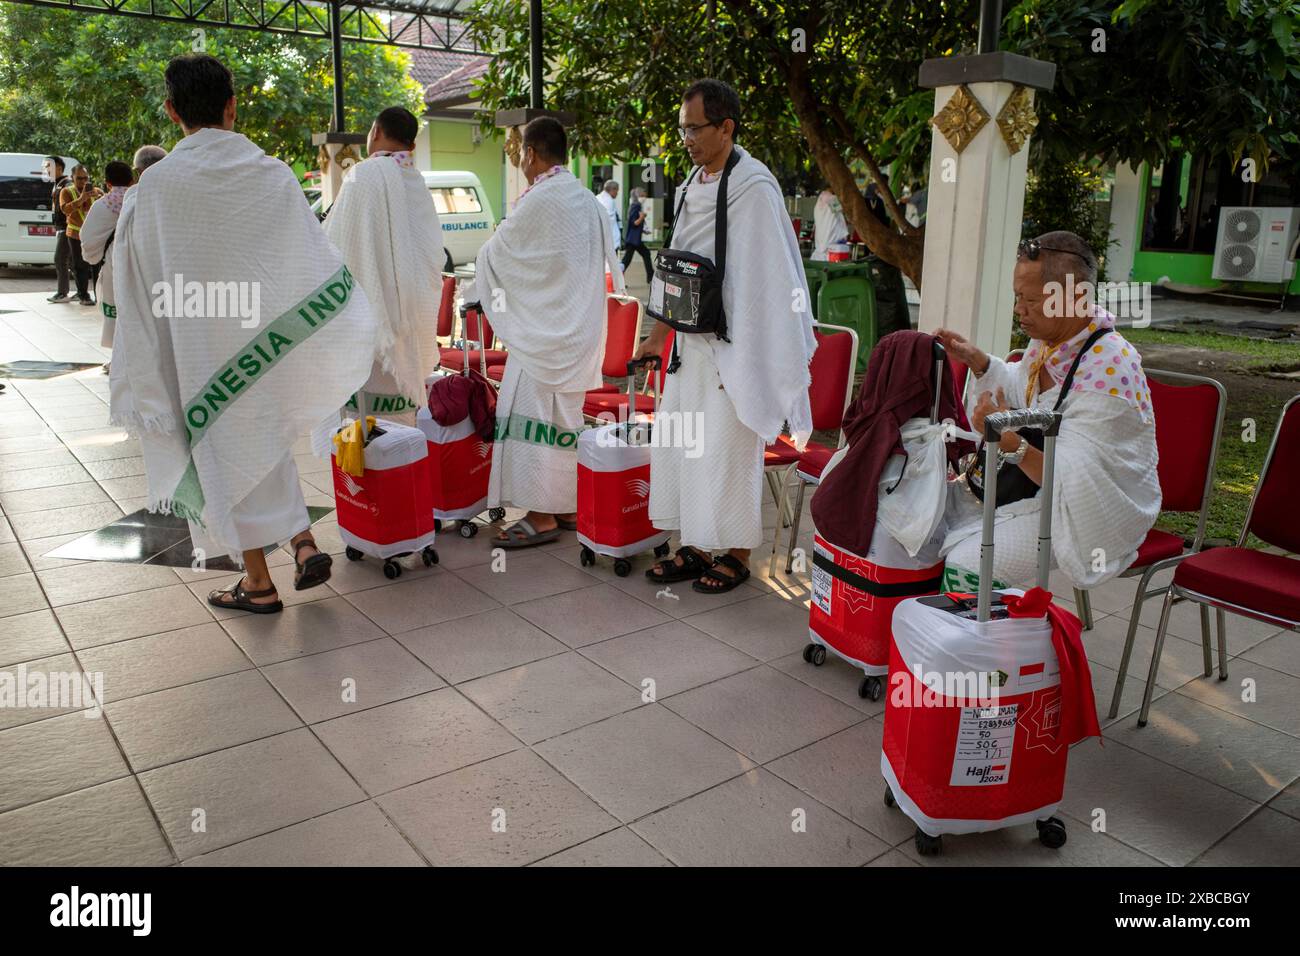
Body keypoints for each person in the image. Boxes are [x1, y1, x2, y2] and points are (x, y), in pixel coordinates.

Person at [110, 53, 377, 614]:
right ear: (232, 106)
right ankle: (302, 544)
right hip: (267, 344)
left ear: (171, 110)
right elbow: (309, 260)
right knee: (262, 441)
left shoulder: (153, 189)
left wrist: (145, 358)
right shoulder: (273, 174)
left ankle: (258, 582)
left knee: (224, 456)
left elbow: (135, 283)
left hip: (199, 349)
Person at [637, 78, 817, 593]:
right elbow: (676, 270)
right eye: (682, 130)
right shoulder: (693, 183)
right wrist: (656, 335)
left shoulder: (753, 186)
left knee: (726, 449)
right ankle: (695, 543)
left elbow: (767, 276)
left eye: (695, 129)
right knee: (688, 444)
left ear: (726, 127)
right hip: (689, 348)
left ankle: (736, 552)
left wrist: (755, 341)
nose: (687, 139)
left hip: (737, 346)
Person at [935, 230, 1160, 591]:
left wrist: (1008, 441)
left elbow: (1080, 481)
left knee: (966, 563)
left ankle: (987, 643)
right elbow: (1019, 387)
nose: (1018, 310)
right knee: (922, 518)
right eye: (1017, 297)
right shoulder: (1046, 343)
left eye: (1031, 300)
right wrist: (979, 363)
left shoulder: (1111, 366)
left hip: (1089, 513)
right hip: (1034, 487)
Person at [472, 116, 621, 547]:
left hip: (542, 336)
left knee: (529, 419)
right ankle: (567, 505)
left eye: (520, 151)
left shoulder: (540, 200)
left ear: (531, 154)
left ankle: (540, 516)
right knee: (565, 421)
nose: (519, 159)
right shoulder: (585, 198)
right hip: (577, 333)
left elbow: (500, 255)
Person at [323, 105, 443, 428]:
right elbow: (432, 254)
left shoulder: (362, 175)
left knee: (366, 429)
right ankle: (404, 470)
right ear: (412, 146)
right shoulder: (418, 184)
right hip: (416, 314)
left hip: (373, 319)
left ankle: (368, 478)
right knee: (401, 425)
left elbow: (337, 247)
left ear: (374, 133)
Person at [80, 160, 136, 369]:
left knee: (115, 310)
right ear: (132, 180)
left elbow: (87, 237)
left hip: (114, 264)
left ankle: (118, 360)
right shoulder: (141, 200)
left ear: (107, 182)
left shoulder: (102, 206)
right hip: (142, 264)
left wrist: (94, 256)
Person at [58, 164, 102, 306]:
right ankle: (83, 295)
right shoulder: (66, 192)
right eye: (79, 178)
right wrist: (82, 198)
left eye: (85, 178)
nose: (83, 182)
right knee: (80, 265)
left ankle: (100, 296)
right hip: (75, 234)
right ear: (72, 178)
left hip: (94, 235)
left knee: (97, 266)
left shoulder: (96, 192)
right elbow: (65, 209)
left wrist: (100, 196)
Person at [44, 156, 74, 303]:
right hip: (62, 227)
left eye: (49, 167)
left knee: (60, 259)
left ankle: (62, 293)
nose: (46, 171)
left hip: (67, 228)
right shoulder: (58, 184)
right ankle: (82, 292)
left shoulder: (67, 185)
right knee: (73, 261)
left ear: (59, 168)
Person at [620, 186, 653, 280]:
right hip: (634, 240)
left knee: (628, 259)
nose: (644, 197)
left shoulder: (635, 205)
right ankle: (650, 276)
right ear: (637, 196)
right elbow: (634, 222)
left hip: (633, 239)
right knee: (628, 259)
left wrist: (644, 230)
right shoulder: (636, 206)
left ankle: (650, 276)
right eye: (642, 195)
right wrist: (642, 217)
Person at [811, 186, 848, 260]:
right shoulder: (832, 199)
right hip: (833, 240)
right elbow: (842, 212)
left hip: (820, 240)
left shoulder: (818, 202)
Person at [596, 178, 621, 252]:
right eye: (617, 190)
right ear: (612, 189)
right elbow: (609, 221)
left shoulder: (598, 197)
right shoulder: (608, 201)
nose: (617, 193)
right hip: (609, 240)